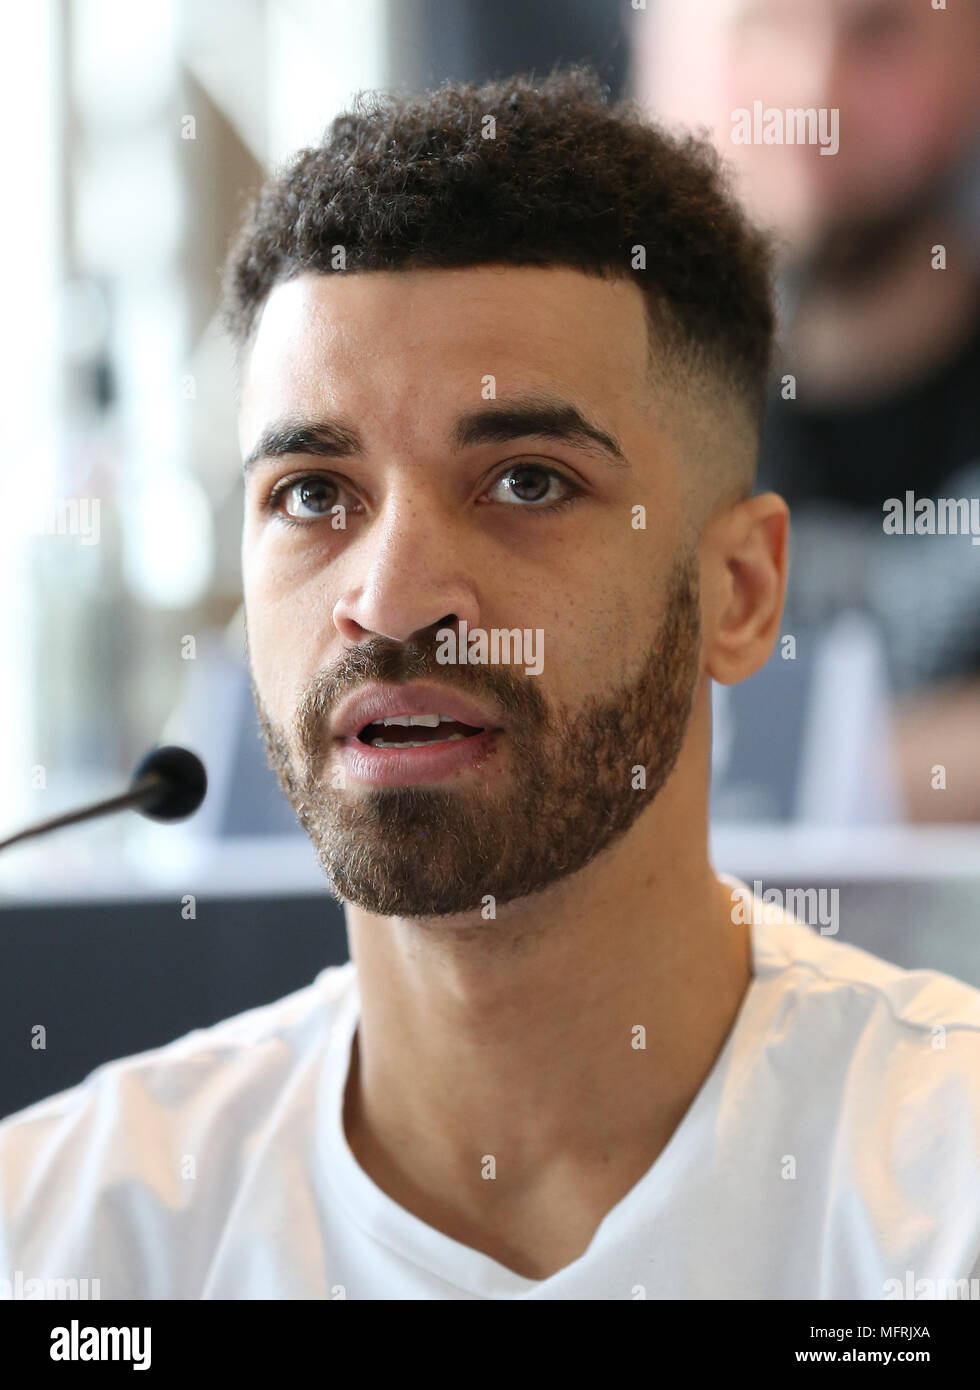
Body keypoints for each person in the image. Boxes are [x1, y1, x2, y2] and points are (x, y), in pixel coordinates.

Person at [1, 68, 978, 1300]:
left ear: (738, 593)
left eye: (525, 481)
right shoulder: (65, 1242)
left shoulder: (940, 1202)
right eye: (313, 494)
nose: (393, 600)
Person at [631, 0, 980, 820]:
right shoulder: (546, 402)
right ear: (655, 46)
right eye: (760, 26)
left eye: (882, 32)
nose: (814, 91)